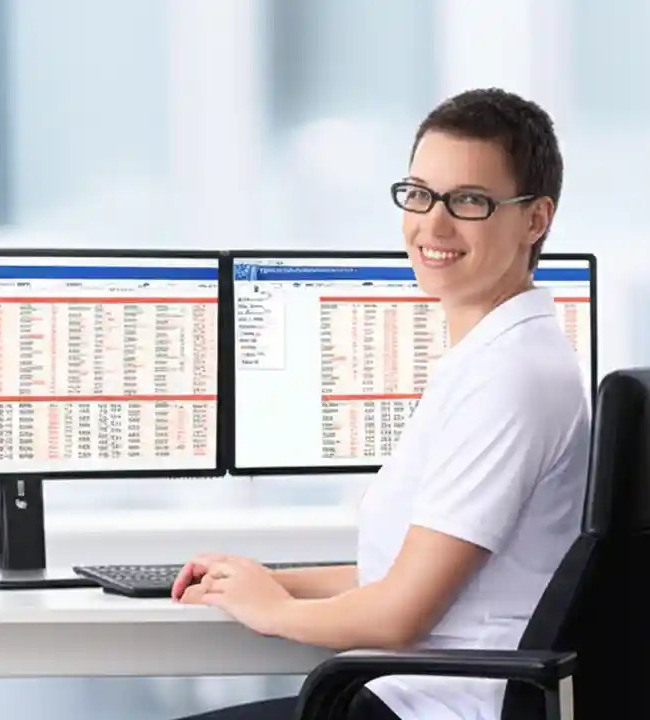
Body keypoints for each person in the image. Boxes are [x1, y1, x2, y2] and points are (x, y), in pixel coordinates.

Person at [170, 88, 591, 720]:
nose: (433, 225)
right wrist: (266, 580)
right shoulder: (494, 359)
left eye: (468, 201)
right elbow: (406, 571)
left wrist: (275, 611)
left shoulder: (512, 379)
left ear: (535, 220)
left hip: (433, 707)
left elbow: (400, 614)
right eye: (419, 194)